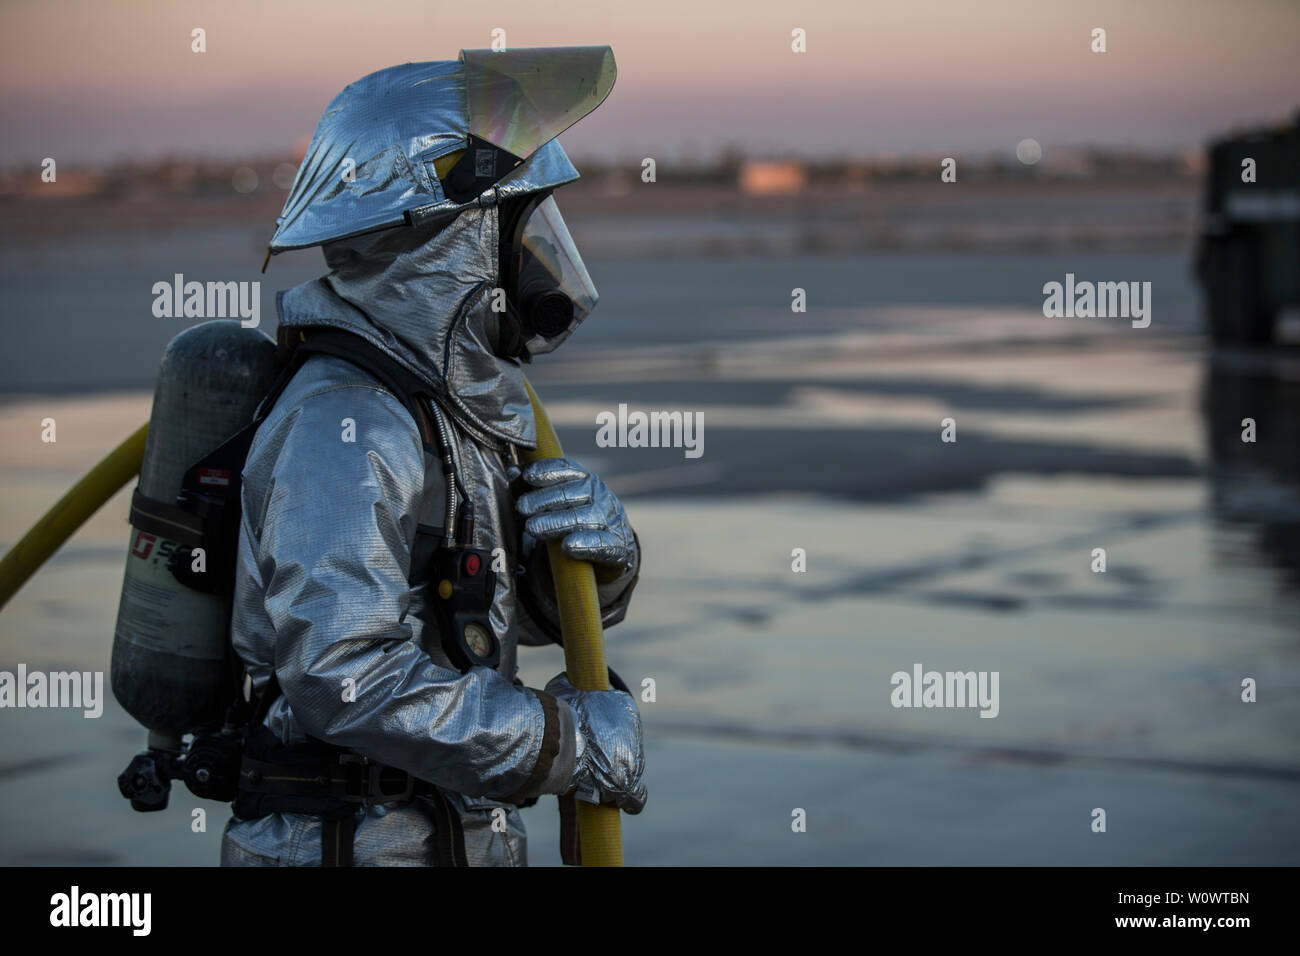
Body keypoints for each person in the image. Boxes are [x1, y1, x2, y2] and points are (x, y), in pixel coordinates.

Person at [220, 46, 646, 867]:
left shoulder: (442, 408)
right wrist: (560, 742)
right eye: (523, 230)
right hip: (349, 846)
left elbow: (472, 624)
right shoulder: (348, 423)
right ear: (447, 245)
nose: (542, 262)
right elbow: (343, 673)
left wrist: (597, 570)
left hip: (441, 837)